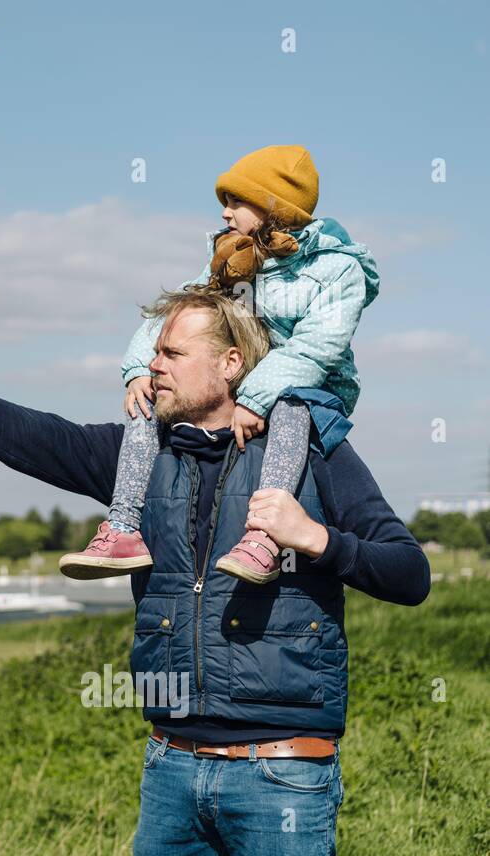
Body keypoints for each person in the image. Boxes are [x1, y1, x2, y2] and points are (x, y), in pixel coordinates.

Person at [0, 285, 428, 856]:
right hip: (170, 769)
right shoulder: (136, 458)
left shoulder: (314, 452)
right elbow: (20, 430)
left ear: (232, 364)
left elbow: (409, 573)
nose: (155, 366)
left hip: (281, 775)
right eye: (155, 352)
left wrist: (315, 538)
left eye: (174, 353)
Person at [61, 145, 379, 586]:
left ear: (273, 206)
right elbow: (174, 314)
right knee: (148, 397)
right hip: (249, 378)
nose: (225, 214)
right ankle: (123, 527)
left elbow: (315, 349)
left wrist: (257, 394)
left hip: (307, 385)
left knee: (290, 408)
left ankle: (266, 537)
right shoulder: (235, 258)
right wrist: (137, 368)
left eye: (235, 202)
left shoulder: (338, 270)